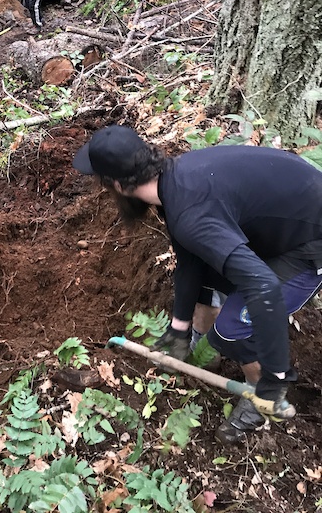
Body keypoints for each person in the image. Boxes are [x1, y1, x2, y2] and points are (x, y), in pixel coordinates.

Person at [73, 125, 322, 444]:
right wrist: (178, 327)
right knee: (206, 266)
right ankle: (201, 347)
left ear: (118, 185)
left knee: (231, 331)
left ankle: (260, 396)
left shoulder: (190, 213)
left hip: (309, 245)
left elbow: (264, 287)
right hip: (290, 217)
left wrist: (276, 376)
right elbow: (189, 257)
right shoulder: (176, 180)